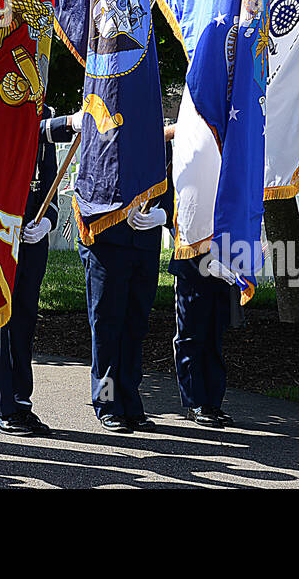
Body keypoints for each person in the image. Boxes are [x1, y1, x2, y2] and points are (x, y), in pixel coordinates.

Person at [0, 105, 78, 436]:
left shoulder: (44, 111)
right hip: (1, 229)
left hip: (33, 232)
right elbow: (19, 133)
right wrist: (63, 124)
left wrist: (48, 220)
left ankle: (21, 402)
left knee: (24, 318)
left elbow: (48, 177)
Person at [79, 139, 167, 433]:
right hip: (109, 240)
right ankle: (107, 402)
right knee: (107, 328)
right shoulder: (105, 123)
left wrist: (165, 213)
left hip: (145, 241)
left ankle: (130, 399)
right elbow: (89, 178)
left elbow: (175, 174)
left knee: (135, 326)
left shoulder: (153, 128)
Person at [165, 124, 238, 428]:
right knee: (192, 334)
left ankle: (213, 401)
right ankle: (196, 401)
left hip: (226, 256)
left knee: (214, 336)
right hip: (193, 259)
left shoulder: (230, 147)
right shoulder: (187, 152)